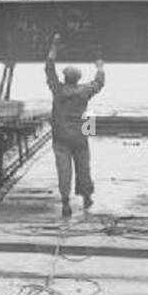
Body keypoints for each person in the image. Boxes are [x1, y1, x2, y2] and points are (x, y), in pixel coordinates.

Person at [45, 33, 104, 218]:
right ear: (78, 78)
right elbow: (99, 83)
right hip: (80, 137)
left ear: (66, 77)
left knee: (64, 171)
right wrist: (100, 66)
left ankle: (65, 203)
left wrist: (54, 46)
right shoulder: (84, 91)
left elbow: (49, 69)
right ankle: (86, 197)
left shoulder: (58, 90)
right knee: (84, 168)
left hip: (61, 138)